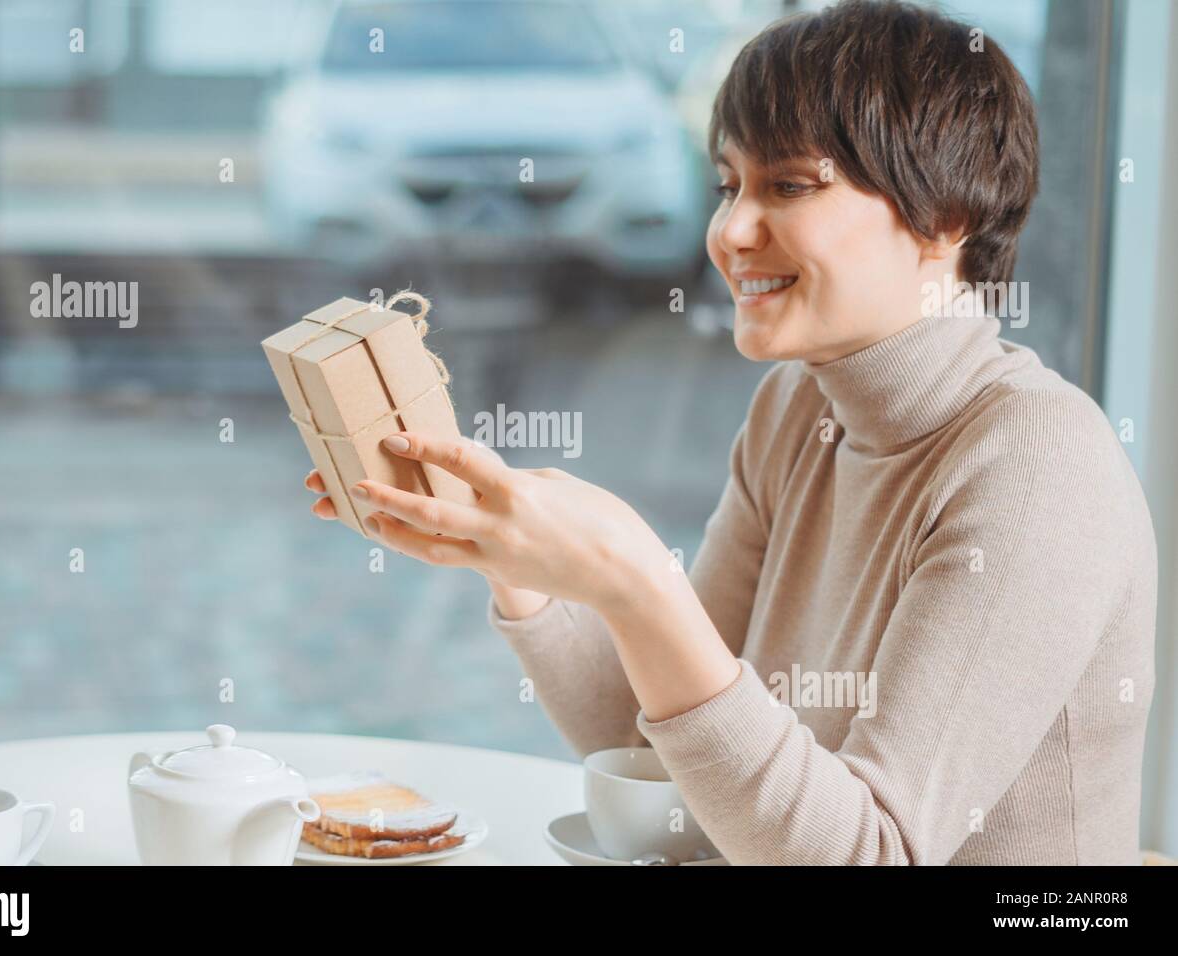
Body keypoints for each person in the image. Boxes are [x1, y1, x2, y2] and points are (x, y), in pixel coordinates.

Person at [305, 0, 1156, 865]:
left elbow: (875, 853)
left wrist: (640, 586)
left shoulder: (1038, 465)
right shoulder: (798, 407)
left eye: (787, 185)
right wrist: (508, 560)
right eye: (727, 186)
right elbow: (658, 753)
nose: (730, 233)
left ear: (943, 218)